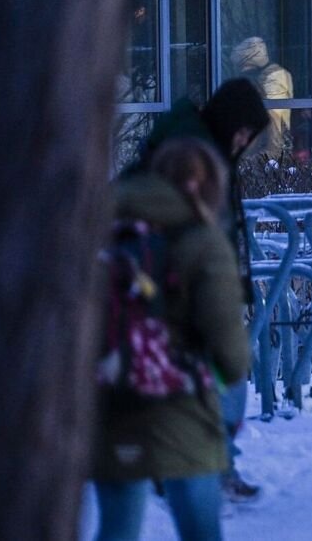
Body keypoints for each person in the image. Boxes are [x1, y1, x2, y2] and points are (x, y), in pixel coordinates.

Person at [93, 139, 252, 541]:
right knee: (200, 530)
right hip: (183, 409)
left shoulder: (100, 231)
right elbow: (230, 353)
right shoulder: (203, 242)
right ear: (203, 186)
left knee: (116, 529)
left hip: (110, 401)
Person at [131, 78, 270, 503]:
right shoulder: (196, 157)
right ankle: (208, 470)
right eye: (243, 130)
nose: (244, 140)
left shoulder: (192, 147)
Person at [231, 37, 294, 157]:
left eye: (246, 69)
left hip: (265, 153)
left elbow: (275, 119)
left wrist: (271, 155)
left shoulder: (274, 77)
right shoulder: (264, 78)